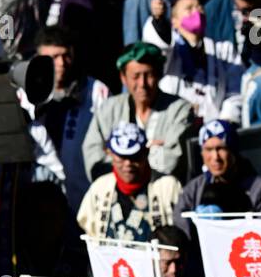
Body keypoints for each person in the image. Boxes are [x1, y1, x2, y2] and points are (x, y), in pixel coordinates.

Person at [82, 42, 194, 183]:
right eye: (135, 76)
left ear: (159, 74)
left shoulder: (179, 110)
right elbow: (93, 157)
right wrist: (151, 150)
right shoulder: (108, 109)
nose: (143, 83)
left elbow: (171, 160)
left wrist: (117, 155)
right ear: (123, 78)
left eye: (149, 75)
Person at [28, 24, 109, 216]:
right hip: (39, 196)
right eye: (54, 57)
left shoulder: (96, 91)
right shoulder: (25, 93)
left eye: (66, 55)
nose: (61, 63)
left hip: (86, 195)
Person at [173, 118, 261, 236]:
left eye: (221, 148)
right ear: (201, 153)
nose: (215, 157)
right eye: (208, 149)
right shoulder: (193, 190)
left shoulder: (259, 190)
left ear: (233, 150)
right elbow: (181, 230)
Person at [76, 122, 181, 241]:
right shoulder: (100, 188)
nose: (128, 164)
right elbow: (87, 228)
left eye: (134, 157)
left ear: (146, 153)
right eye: (121, 157)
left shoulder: (168, 186)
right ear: (110, 154)